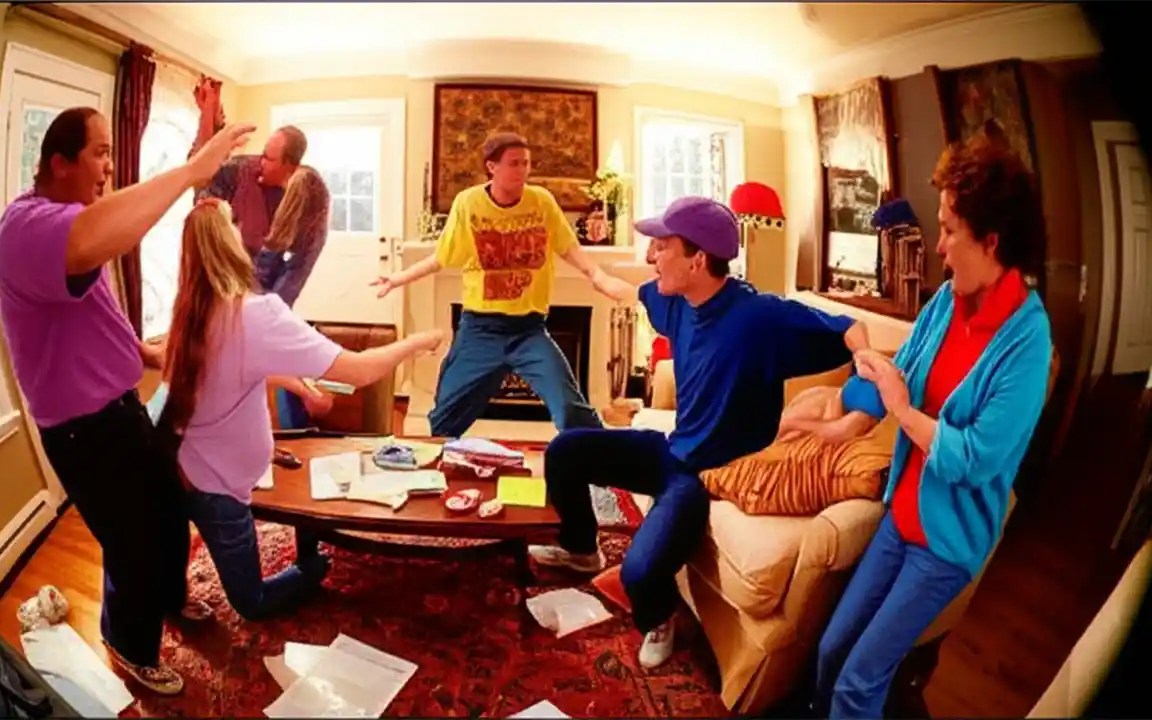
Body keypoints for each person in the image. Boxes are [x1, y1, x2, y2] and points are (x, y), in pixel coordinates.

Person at [527, 195, 870, 669]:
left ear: (698, 259)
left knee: (639, 573)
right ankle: (583, 549)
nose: (652, 256)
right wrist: (587, 269)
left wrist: (865, 376)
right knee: (566, 449)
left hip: (707, 476)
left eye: (662, 246)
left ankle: (659, 618)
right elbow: (627, 291)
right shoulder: (676, 301)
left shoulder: (760, 318)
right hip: (672, 451)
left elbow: (849, 328)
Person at [0, 106, 254, 694]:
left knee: (169, 513)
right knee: (132, 543)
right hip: (84, 431)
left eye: (111, 152)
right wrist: (191, 172)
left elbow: (94, 315)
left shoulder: (70, 222)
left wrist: (146, 353)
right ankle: (128, 644)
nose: (109, 167)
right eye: (100, 152)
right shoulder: (27, 228)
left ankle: (168, 597)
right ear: (59, 162)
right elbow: (97, 236)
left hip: (121, 408)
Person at [814, 124, 1053, 719]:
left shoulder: (1027, 342)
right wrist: (847, 403)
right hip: (900, 515)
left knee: (857, 684)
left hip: (945, 545)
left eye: (949, 230)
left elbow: (973, 459)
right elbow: (905, 373)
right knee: (830, 648)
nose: (939, 245)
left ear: (991, 242)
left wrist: (900, 408)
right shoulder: (946, 300)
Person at [159, 198, 443, 622]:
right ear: (229, 242)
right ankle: (318, 565)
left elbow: (234, 366)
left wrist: (296, 383)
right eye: (236, 222)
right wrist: (417, 342)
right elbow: (358, 371)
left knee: (174, 557)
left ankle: (173, 596)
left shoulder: (192, 310)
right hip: (216, 487)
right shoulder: (256, 314)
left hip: (180, 465)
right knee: (252, 603)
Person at [372, 131, 632, 437]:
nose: (522, 170)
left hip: (529, 330)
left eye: (526, 163)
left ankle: (598, 462)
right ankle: (440, 463)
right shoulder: (469, 203)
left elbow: (568, 247)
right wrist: (398, 278)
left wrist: (598, 276)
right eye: (513, 163)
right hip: (480, 329)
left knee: (570, 407)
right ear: (492, 167)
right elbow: (441, 258)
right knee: (444, 418)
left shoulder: (541, 201)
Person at [189, 86, 332, 426]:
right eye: (262, 154)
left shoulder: (310, 200)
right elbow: (199, 178)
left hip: (269, 278)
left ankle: (295, 423)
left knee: (270, 336)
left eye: (269, 159)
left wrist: (266, 314)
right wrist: (208, 119)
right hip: (225, 279)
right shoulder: (242, 171)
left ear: (290, 165)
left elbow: (295, 273)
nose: (260, 163)